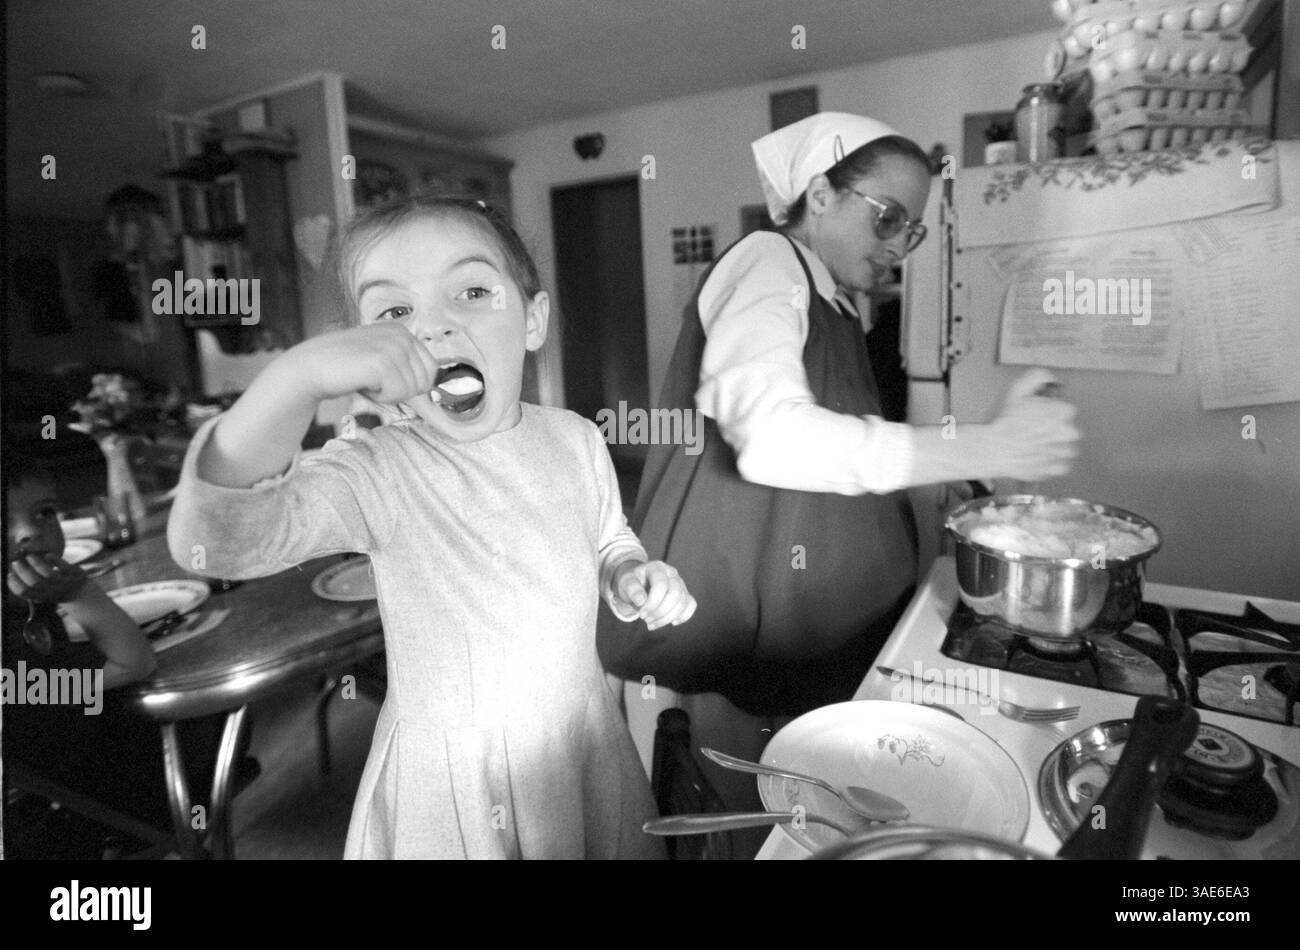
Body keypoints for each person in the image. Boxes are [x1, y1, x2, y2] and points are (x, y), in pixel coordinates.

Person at [166, 195, 697, 859]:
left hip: (580, 737)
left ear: (532, 321)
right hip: (454, 782)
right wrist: (295, 378)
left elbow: (608, 540)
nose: (433, 329)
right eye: (394, 312)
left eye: (471, 291)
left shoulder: (577, 438)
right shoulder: (379, 468)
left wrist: (630, 574)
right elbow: (216, 540)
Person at [596, 113, 1079, 826]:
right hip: (737, 629)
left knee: (808, 816)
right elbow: (769, 435)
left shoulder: (836, 305)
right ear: (819, 193)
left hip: (809, 634)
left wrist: (951, 481)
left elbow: (844, 450)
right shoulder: (767, 262)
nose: (897, 246)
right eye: (887, 217)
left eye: (909, 231)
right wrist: (987, 446)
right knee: (759, 819)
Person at [2, 436, 240, 858]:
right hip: (72, 815)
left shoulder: (24, 610)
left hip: (76, 772)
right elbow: (133, 663)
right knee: (216, 707)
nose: (28, 533)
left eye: (44, 513)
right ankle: (178, 833)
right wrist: (80, 591)